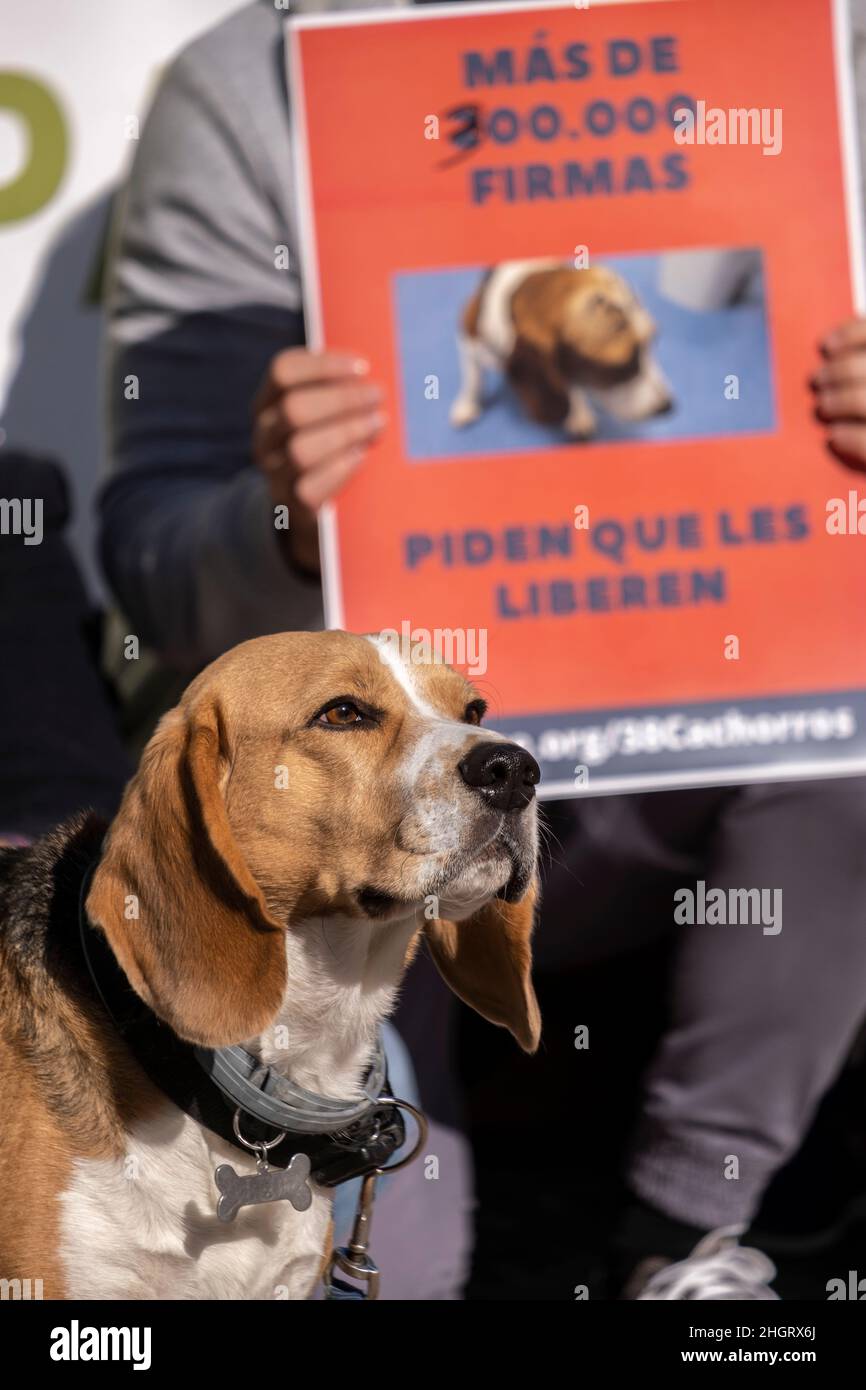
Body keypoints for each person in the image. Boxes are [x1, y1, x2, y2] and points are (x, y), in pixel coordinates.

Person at [99, 0, 866, 1298]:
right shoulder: (257, 85)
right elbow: (156, 571)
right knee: (383, 1271)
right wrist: (281, 519)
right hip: (369, 829)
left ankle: (691, 1233)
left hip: (717, 777)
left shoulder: (813, 41)